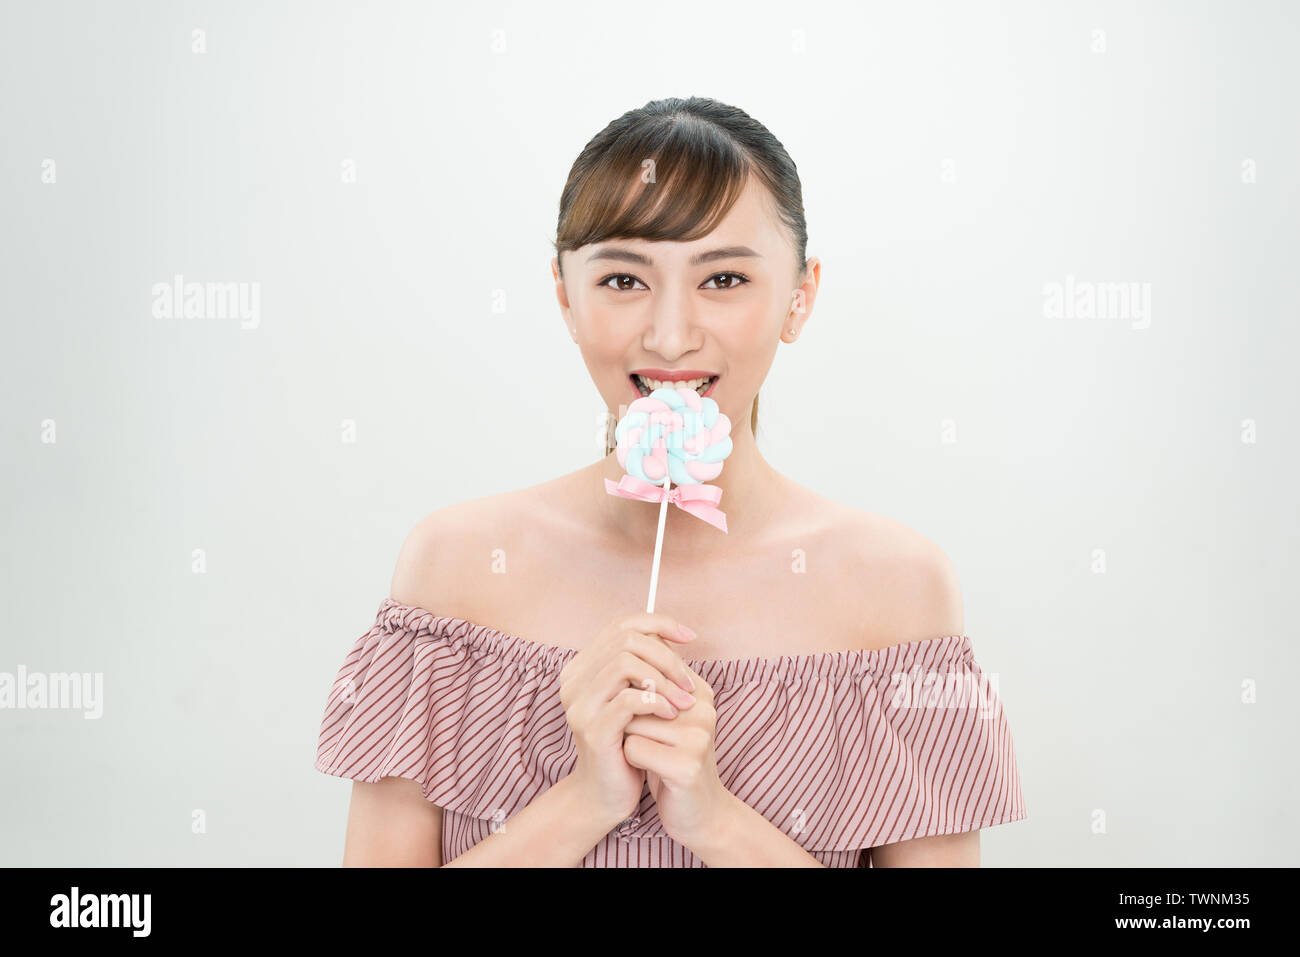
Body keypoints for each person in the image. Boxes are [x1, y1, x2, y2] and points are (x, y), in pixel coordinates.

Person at [315, 96, 1026, 867]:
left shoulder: (898, 590)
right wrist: (585, 800)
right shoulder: (452, 570)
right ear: (565, 297)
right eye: (624, 280)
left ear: (801, 297)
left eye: (723, 277)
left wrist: (717, 821)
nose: (671, 334)